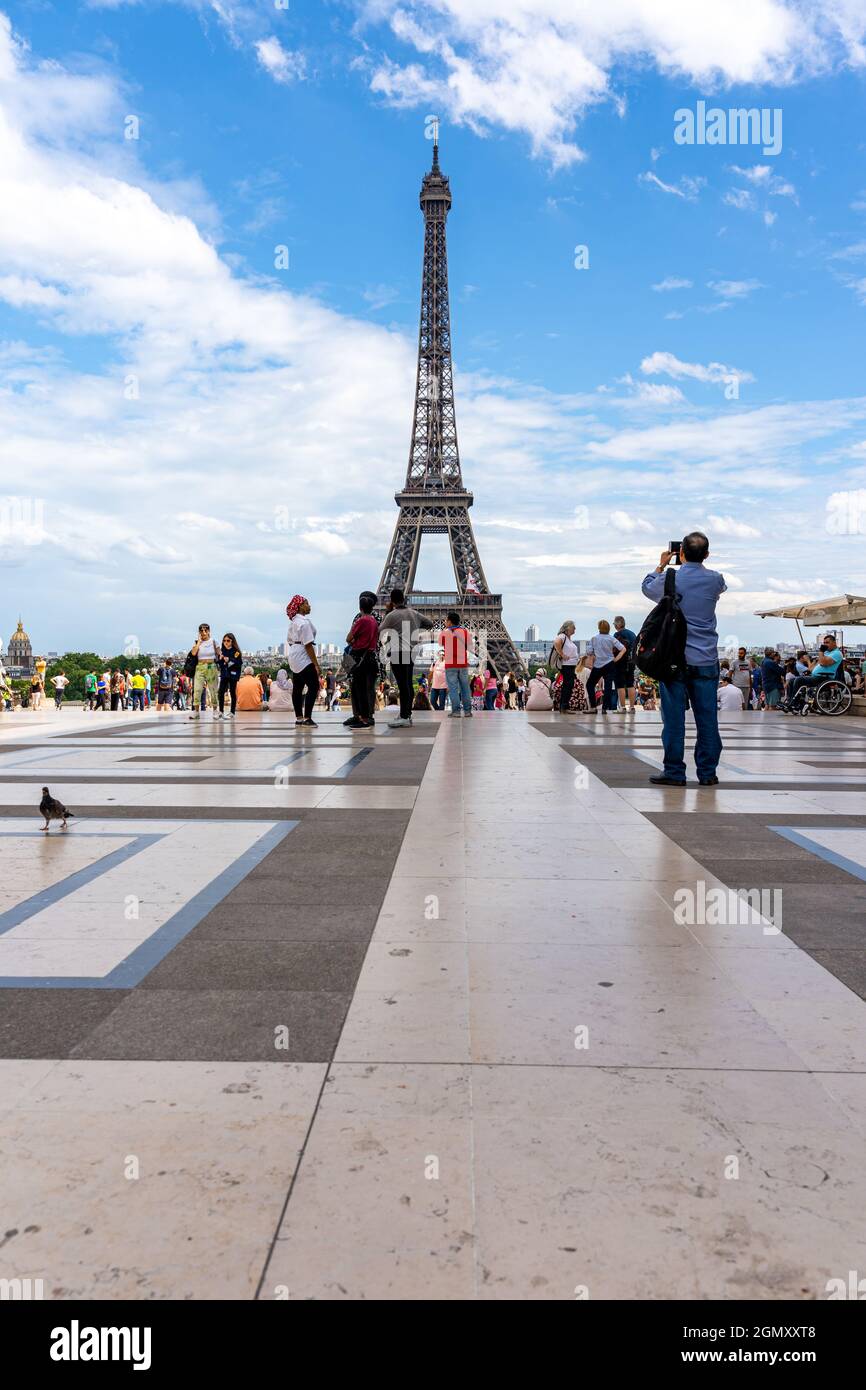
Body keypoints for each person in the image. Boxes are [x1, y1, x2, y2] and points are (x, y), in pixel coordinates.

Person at [641, 532, 725, 786]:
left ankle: (675, 772)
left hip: (673, 660)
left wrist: (661, 565)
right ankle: (707, 773)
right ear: (707, 555)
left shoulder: (670, 578)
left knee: (674, 720)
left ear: (681, 554)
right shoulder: (716, 580)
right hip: (706, 659)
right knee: (707, 719)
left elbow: (647, 588)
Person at [378, 587, 434, 727]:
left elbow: (379, 630)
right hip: (410, 652)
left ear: (392, 600)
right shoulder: (414, 613)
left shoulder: (391, 615)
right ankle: (407, 715)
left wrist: (388, 612)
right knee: (408, 684)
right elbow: (430, 624)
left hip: (397, 652)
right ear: (404, 598)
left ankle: (404, 716)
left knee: (403, 685)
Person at [344, 591, 379, 729]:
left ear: (360, 608)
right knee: (366, 689)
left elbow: (348, 638)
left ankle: (362, 718)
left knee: (359, 689)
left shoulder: (361, 620)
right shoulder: (374, 621)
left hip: (360, 658)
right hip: (370, 657)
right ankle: (366, 717)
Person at [286, 595, 320, 726]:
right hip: (303, 656)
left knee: (298, 687)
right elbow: (308, 645)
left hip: (294, 654)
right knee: (314, 686)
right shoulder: (304, 623)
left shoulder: (293, 622)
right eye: (307, 603)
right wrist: (316, 664)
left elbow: (289, 641)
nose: (309, 605)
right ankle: (308, 718)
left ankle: (299, 718)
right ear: (300, 606)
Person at [786, 633, 845, 707]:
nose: (825, 644)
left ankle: (794, 703)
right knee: (792, 680)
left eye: (827, 642)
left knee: (799, 680)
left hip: (824, 678)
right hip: (816, 676)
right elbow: (811, 668)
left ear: (834, 642)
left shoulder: (837, 653)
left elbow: (823, 662)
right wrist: (811, 661)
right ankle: (789, 701)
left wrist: (821, 652)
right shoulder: (826, 652)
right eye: (824, 643)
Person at [585, 620, 625, 714]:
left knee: (590, 684)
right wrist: (615, 659)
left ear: (599, 628)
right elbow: (623, 649)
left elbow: (589, 652)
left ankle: (593, 707)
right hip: (609, 664)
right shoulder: (611, 638)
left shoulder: (594, 638)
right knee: (608, 686)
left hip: (598, 665)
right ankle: (604, 708)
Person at [441, 611, 473, 718]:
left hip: (450, 665)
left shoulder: (445, 632)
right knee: (465, 688)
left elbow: (442, 644)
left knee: (453, 688)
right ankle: (468, 711)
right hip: (462, 664)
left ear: (449, 622)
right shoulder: (465, 632)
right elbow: (469, 646)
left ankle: (456, 711)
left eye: (446, 620)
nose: (445, 622)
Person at [189, 622, 219, 721]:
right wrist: (198, 642)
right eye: (201, 630)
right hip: (200, 667)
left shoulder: (214, 642)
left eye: (205, 630)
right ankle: (196, 711)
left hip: (211, 666)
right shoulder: (197, 643)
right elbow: (193, 653)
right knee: (197, 689)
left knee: (213, 689)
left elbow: (219, 653)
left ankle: (215, 710)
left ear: (209, 631)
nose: (203, 632)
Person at [552, 621, 580, 716]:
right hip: (567, 665)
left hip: (570, 665)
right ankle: (564, 706)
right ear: (568, 628)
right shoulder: (563, 636)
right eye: (573, 627)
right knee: (568, 685)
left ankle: (564, 706)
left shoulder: (567, 638)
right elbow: (556, 642)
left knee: (568, 685)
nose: (575, 629)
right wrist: (562, 654)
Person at [613, 616, 637, 712]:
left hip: (620, 662)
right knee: (630, 684)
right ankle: (632, 707)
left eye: (615, 624)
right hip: (631, 662)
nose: (614, 626)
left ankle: (622, 707)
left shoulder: (617, 634)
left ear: (618, 624)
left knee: (620, 685)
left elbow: (614, 649)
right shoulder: (632, 634)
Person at [216, 633, 243, 719]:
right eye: (224, 640)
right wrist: (219, 659)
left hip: (233, 675)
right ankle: (221, 711)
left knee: (232, 692)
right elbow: (219, 663)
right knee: (221, 692)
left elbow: (239, 663)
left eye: (228, 640)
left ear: (232, 641)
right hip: (224, 674)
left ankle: (232, 712)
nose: (226, 642)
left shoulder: (236, 652)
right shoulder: (222, 651)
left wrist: (229, 660)